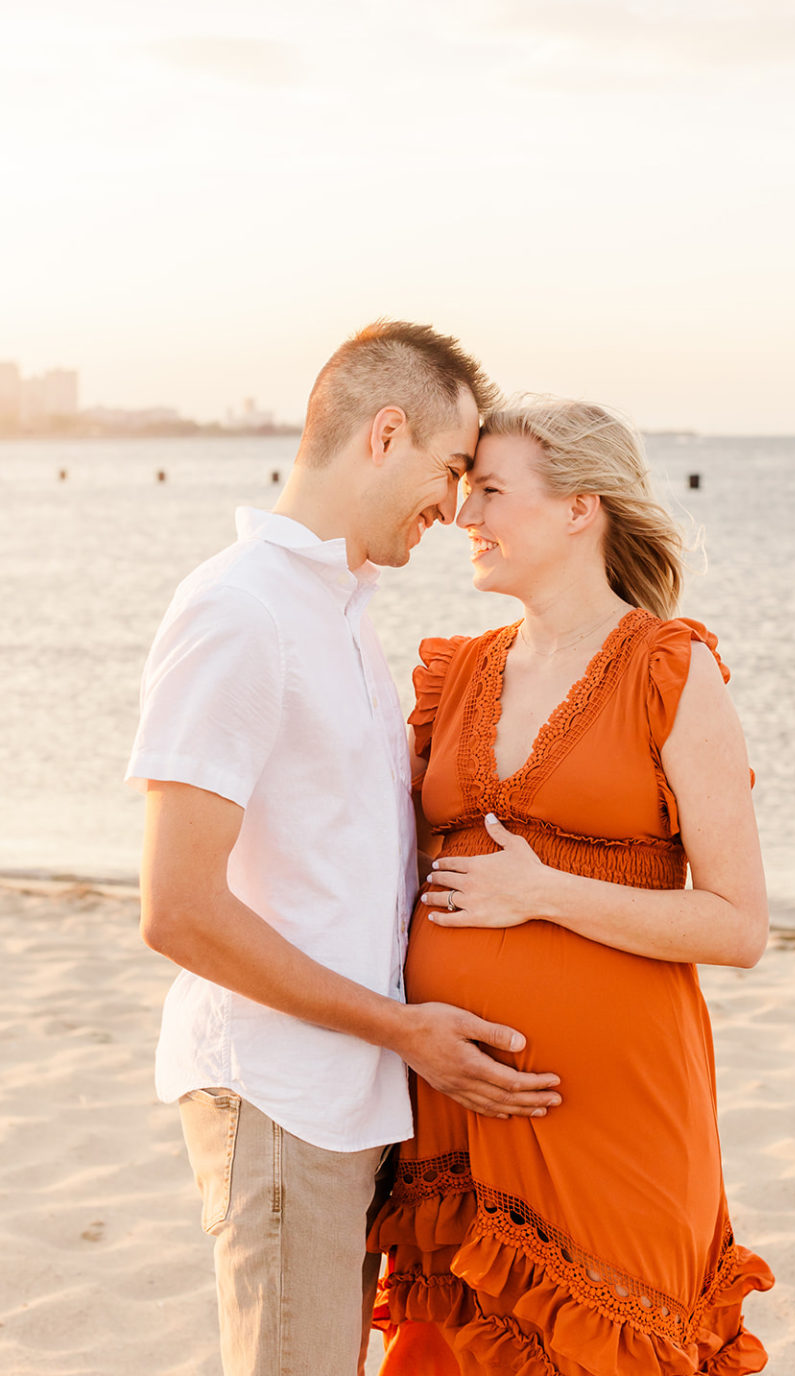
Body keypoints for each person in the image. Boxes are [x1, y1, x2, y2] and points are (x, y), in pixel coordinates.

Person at [125, 322, 562, 1376]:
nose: (457, 505)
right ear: (384, 432)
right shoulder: (239, 610)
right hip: (280, 1095)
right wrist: (403, 1029)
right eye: (451, 467)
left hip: (349, 1092)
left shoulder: (339, 613)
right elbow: (176, 910)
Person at [369, 397, 775, 1375]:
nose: (465, 517)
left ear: (578, 507)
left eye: (493, 492)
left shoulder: (668, 669)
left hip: (612, 1107)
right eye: (465, 491)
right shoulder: (454, 673)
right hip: (454, 1105)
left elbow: (737, 925)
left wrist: (543, 894)